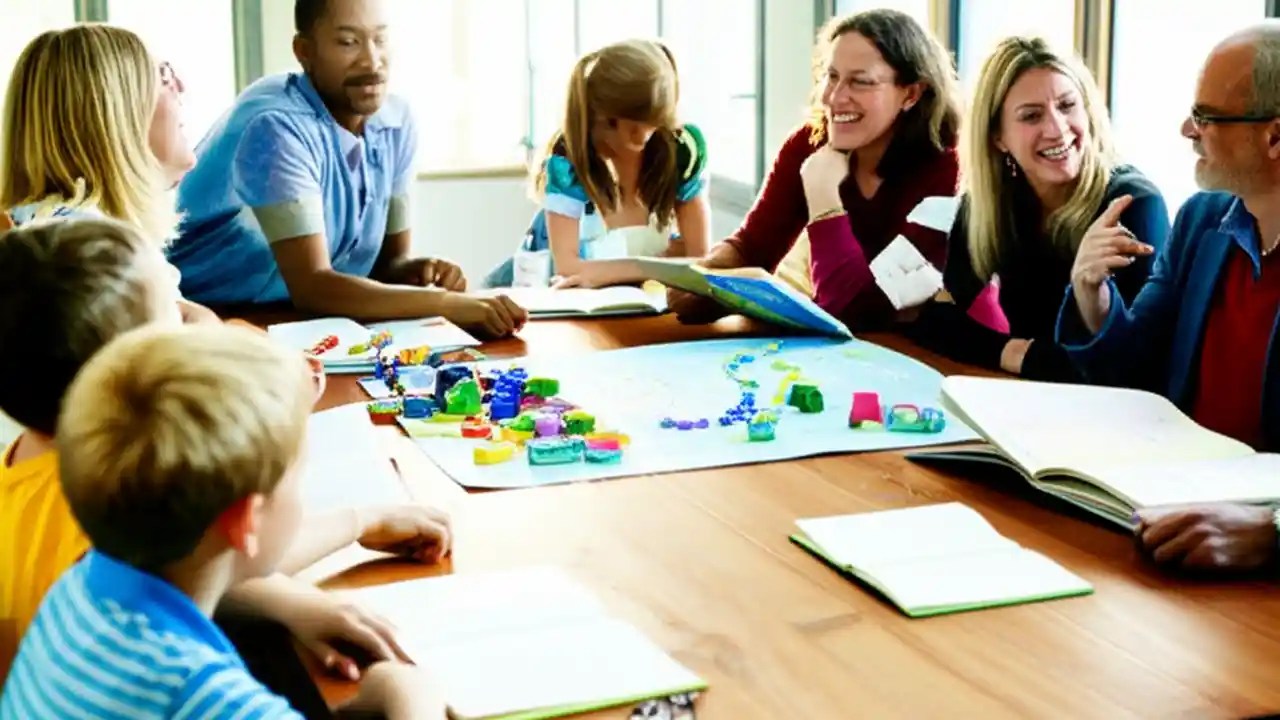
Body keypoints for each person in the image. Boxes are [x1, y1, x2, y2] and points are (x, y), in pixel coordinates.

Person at [0, 218, 452, 693]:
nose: (192, 316)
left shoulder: (25, 466)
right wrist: (309, 595)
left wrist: (321, 568)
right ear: (136, 375)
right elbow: (224, 547)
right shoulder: (113, 490)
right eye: (174, 316)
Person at [1056, 22, 1280, 571]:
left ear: (1275, 137)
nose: (1186, 129)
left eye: (1205, 117)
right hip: (1173, 513)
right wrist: (1093, 293)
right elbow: (1136, 369)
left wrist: (1271, 531)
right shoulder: (1201, 220)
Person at [168, 0, 526, 337]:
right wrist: (447, 305)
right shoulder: (275, 125)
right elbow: (313, 286)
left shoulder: (396, 122)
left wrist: (420, 272)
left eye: (381, 39)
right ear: (305, 52)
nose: (372, 62)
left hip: (301, 322)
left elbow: (386, 266)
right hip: (206, 322)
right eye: (348, 42)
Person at [667, 9, 963, 331]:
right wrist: (699, 280)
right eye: (831, 76)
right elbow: (752, 246)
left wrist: (823, 197)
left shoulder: (949, 168)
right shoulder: (810, 142)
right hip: (848, 352)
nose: (834, 98)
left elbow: (859, 309)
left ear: (911, 94)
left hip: (935, 357)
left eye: (860, 82)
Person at [908, 36, 1168, 380]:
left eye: (1066, 105)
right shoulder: (989, 203)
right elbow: (938, 322)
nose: (1057, 129)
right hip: (1029, 402)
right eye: (1031, 116)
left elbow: (1134, 365)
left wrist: (1013, 352)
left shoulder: (1132, 205)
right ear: (997, 137)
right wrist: (1017, 353)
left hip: (1111, 417)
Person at [0, 23, 217, 325]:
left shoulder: (62, 227)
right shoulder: (87, 249)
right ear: (119, 113)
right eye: (164, 75)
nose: (181, 86)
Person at [482, 39, 711, 290]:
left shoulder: (681, 150)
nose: (641, 137)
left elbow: (700, 263)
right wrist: (660, 265)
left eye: (652, 122)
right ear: (600, 115)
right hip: (529, 290)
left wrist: (619, 270)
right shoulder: (569, 162)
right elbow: (568, 269)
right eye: (630, 124)